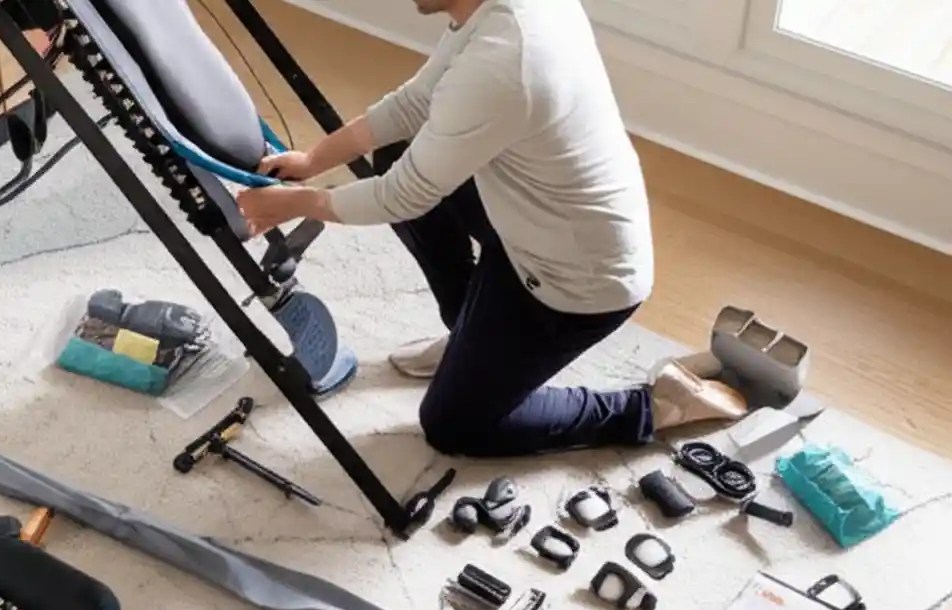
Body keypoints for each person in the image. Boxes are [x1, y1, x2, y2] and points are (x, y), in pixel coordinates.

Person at [235, 0, 745, 457]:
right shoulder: (496, 14)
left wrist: (290, 204)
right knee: (402, 151)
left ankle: (652, 408)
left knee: (454, 425)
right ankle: (471, 337)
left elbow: (401, 196)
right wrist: (312, 160)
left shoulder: (505, 62)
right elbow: (416, 103)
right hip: (536, 221)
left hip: (578, 283)